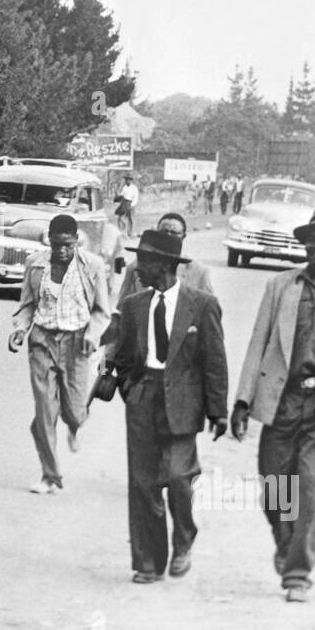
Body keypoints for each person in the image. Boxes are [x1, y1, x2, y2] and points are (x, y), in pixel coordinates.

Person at [231, 208, 315, 602]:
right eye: (312, 239)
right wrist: (243, 400)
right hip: (282, 398)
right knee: (275, 484)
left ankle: (297, 574)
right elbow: (258, 341)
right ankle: (285, 538)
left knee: (310, 489)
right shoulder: (281, 286)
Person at [113, 230, 228, 583]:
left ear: (163, 266)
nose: (137, 268)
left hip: (183, 403)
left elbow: (214, 360)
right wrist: (129, 387)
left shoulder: (201, 304)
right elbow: (123, 356)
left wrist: (217, 409)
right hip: (143, 400)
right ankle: (148, 562)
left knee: (179, 478)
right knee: (143, 484)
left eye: (144, 262)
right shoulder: (134, 305)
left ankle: (183, 541)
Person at [9, 213, 111, 495]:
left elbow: (102, 311)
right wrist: (19, 329)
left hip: (77, 343)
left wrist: (92, 336)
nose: (62, 251)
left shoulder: (92, 265)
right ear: (49, 241)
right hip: (42, 340)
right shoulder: (35, 264)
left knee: (75, 412)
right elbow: (26, 305)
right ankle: (49, 474)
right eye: (57, 245)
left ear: (77, 241)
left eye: (67, 244)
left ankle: (75, 426)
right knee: (45, 410)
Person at [105, 212, 214, 356]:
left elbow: (208, 326)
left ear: (183, 237)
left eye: (174, 233)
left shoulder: (199, 272)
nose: (168, 236)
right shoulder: (136, 268)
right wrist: (105, 369)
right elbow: (120, 316)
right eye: (164, 232)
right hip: (141, 355)